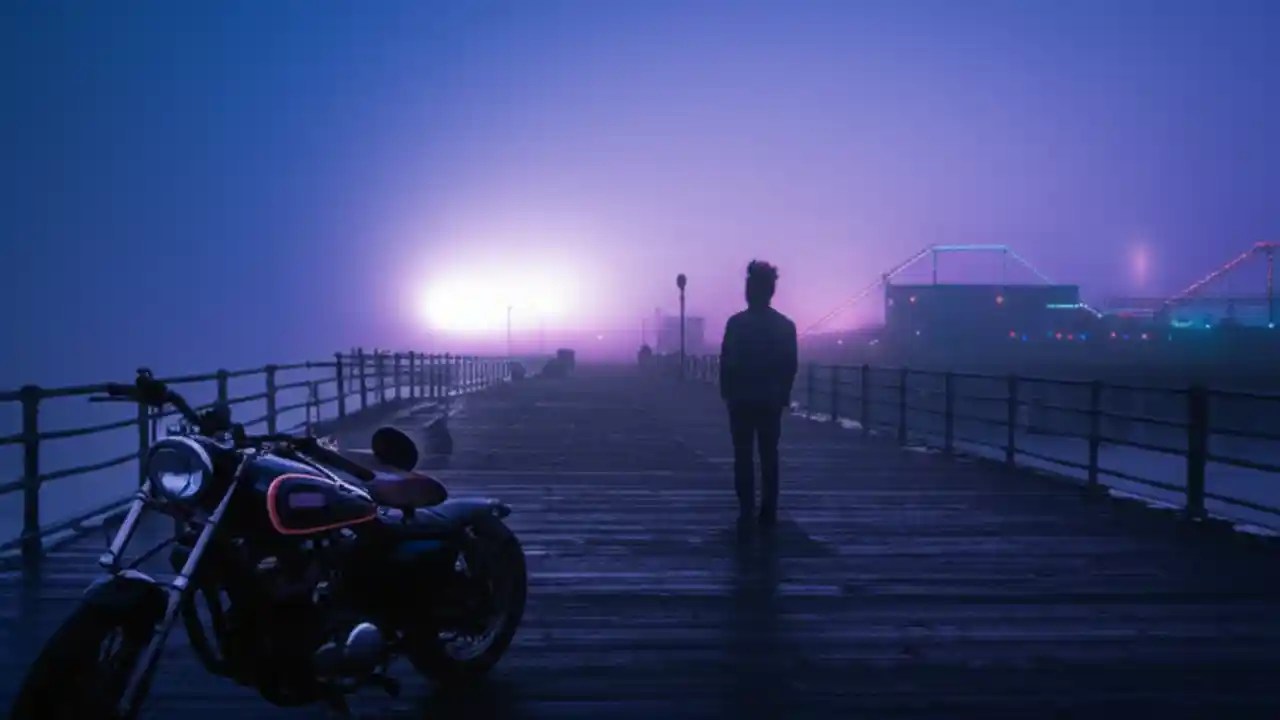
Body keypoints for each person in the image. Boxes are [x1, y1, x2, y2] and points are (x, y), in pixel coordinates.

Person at [719, 260, 798, 527]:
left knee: (742, 455)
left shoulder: (736, 324)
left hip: (741, 399)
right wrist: (784, 394)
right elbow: (790, 365)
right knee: (769, 455)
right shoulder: (785, 326)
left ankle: (746, 508)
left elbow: (726, 361)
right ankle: (768, 509)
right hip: (770, 399)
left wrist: (727, 392)